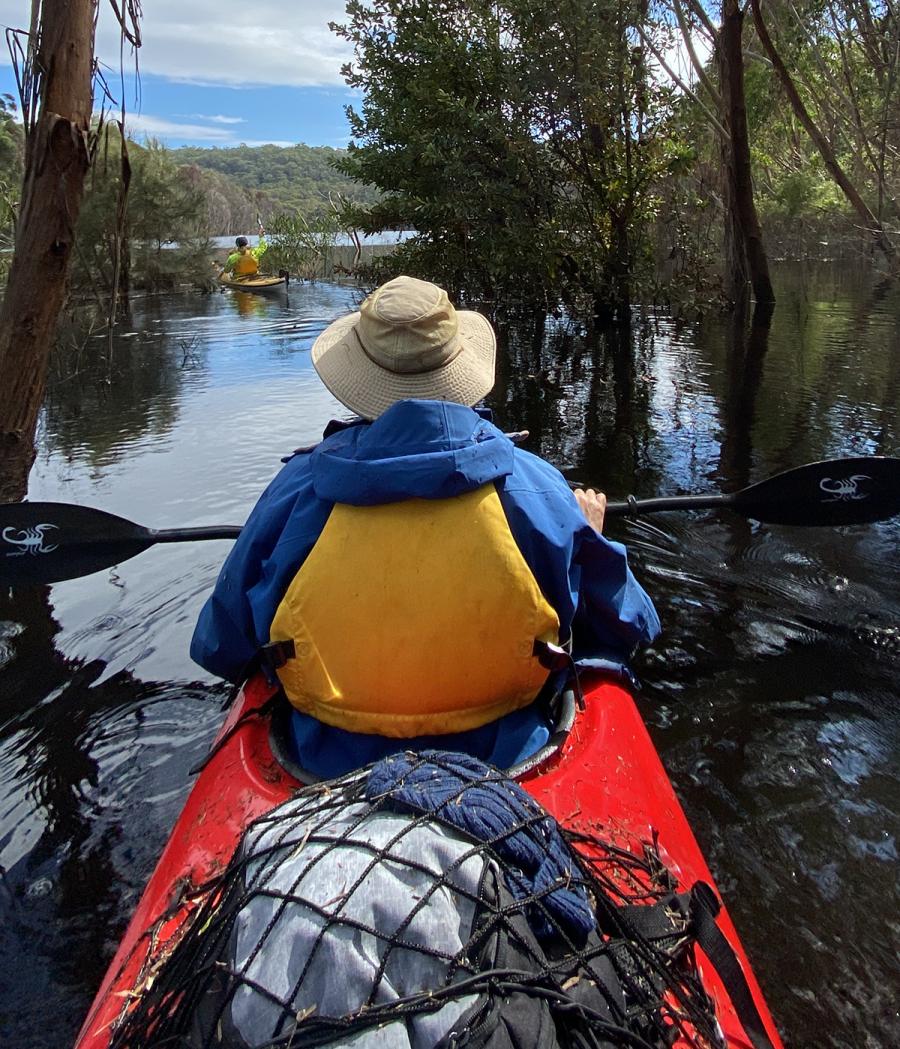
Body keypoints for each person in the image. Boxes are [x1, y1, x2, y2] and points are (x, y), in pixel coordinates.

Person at [191, 275, 660, 776]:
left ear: (359, 374)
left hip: (319, 759)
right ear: (457, 366)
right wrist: (591, 537)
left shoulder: (295, 492)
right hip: (509, 752)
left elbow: (222, 646)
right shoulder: (537, 488)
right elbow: (630, 624)